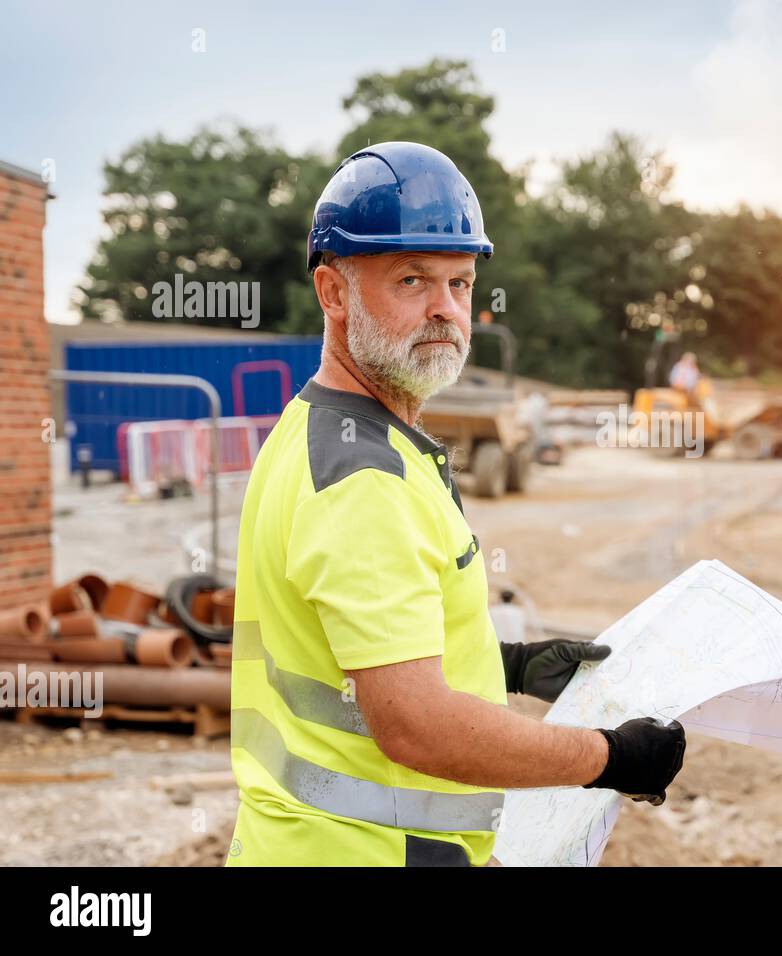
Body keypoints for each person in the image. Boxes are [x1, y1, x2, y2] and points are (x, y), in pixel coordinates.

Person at [227, 142, 685, 867]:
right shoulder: (364, 477)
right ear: (333, 292)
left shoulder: (322, 428)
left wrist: (504, 662)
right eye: (412, 280)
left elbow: (353, 652)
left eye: (461, 284)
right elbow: (418, 727)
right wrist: (610, 757)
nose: (445, 309)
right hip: (368, 852)